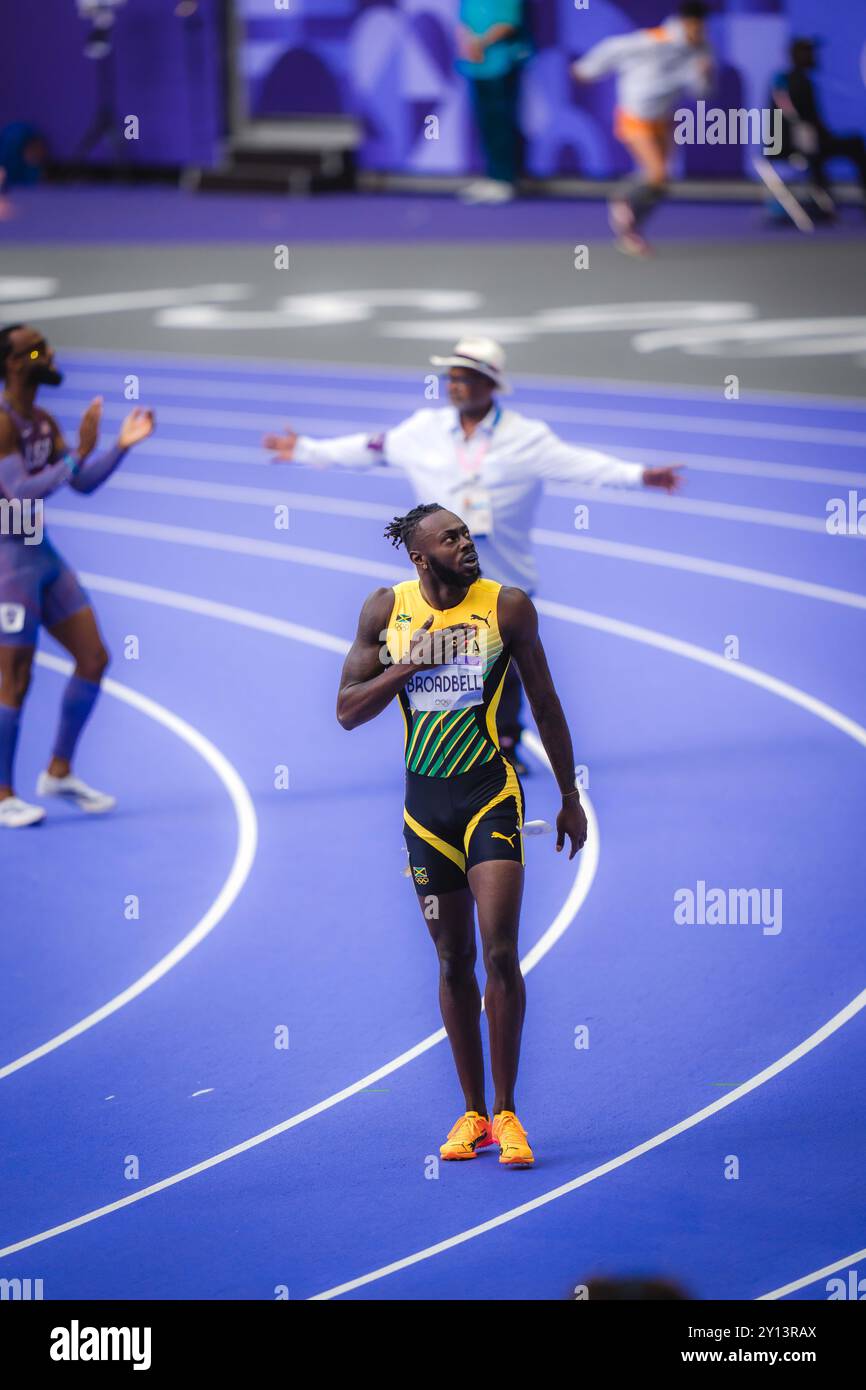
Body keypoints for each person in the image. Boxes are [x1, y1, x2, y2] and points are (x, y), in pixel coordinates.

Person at [264, 336, 681, 772]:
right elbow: (370, 448)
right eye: (451, 377)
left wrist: (639, 476)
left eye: (465, 378)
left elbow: (583, 465)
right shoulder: (421, 430)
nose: (454, 386)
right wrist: (307, 450)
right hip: (443, 578)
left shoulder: (526, 438)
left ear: (491, 384)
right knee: (440, 655)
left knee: (510, 659)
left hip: (504, 572)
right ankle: (448, 745)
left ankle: (506, 740)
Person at [336, 502, 587, 1165]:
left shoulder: (506, 607)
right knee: (452, 962)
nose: (465, 543)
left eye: (467, 534)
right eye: (450, 538)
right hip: (425, 813)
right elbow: (346, 712)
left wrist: (569, 796)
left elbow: (547, 702)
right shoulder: (383, 611)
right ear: (420, 556)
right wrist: (410, 665)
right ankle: (471, 1113)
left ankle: (508, 1114)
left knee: (499, 950)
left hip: (489, 798)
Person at [0, 323, 155, 828]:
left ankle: (58, 772)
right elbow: (21, 494)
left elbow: (80, 481)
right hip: (7, 565)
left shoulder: (41, 420)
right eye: (38, 349)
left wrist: (120, 447)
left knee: (93, 657)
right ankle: (3, 795)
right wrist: (77, 454)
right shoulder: (1, 423)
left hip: (38, 554)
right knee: (15, 680)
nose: (51, 354)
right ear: (15, 364)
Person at [573, 2, 714, 255]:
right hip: (635, 116)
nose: (698, 32)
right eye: (694, 27)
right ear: (683, 23)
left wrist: (704, 76)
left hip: (663, 118)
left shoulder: (702, 50)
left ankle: (631, 224)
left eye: (702, 28)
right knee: (657, 173)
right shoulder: (653, 41)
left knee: (661, 181)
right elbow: (613, 48)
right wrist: (586, 70)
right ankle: (624, 203)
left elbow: (701, 94)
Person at [770, 38, 866, 219]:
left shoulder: (788, 81)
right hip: (797, 147)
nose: (816, 57)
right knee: (854, 144)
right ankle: (823, 202)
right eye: (810, 53)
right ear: (799, 56)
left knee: (828, 147)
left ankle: (823, 202)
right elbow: (801, 123)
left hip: (797, 145)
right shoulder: (798, 83)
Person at [455, 0, 532, 204]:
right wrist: (469, 43)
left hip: (500, 64)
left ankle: (505, 178)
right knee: (486, 123)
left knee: (501, 123)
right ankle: (492, 175)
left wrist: (481, 43)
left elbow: (508, 23)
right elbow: (463, 22)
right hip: (476, 64)